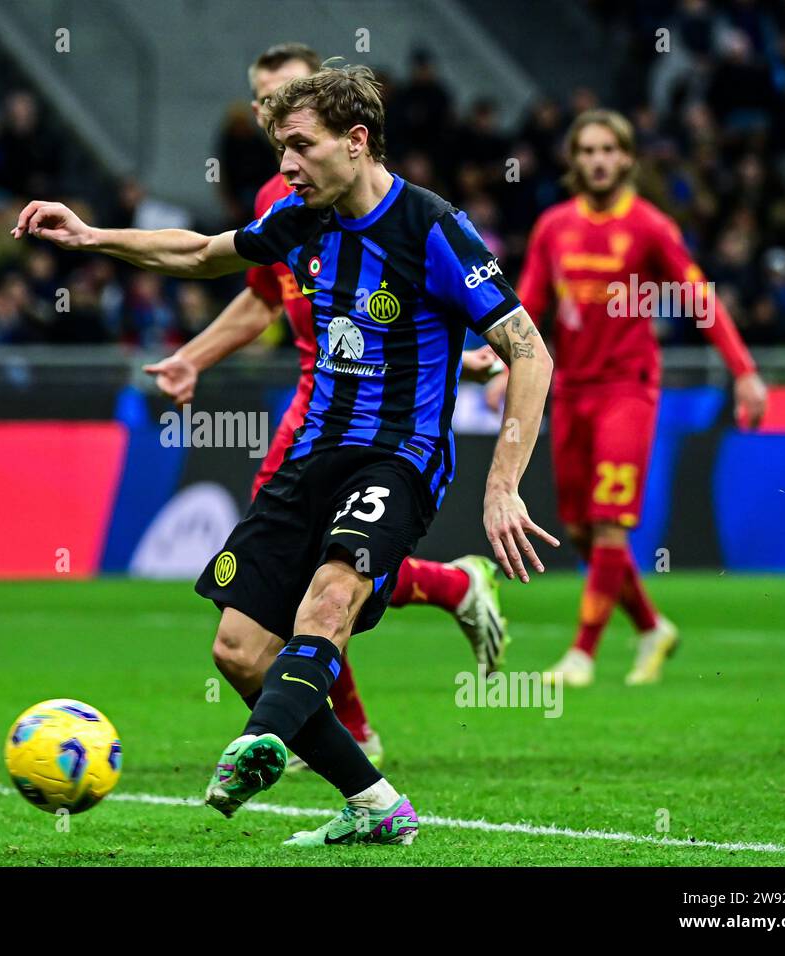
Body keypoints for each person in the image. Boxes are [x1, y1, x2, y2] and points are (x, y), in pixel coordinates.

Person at [13, 62, 555, 847]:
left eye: (298, 146)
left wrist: (502, 485)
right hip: (311, 454)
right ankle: (373, 803)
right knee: (237, 649)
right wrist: (93, 235)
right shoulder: (304, 218)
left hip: (396, 457)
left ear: (357, 141)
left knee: (328, 603)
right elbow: (202, 253)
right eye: (279, 149)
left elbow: (528, 349)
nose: (285, 167)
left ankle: (260, 741)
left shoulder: (433, 228)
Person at [143, 42, 510, 777]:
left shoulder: (393, 210)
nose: (271, 125)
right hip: (316, 407)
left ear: (348, 132)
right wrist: (195, 355)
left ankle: (351, 736)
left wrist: (455, 352)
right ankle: (444, 594)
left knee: (331, 579)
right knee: (275, 594)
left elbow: (442, 309)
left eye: (285, 104)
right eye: (260, 106)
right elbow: (255, 296)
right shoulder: (286, 200)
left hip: (382, 421)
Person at [507, 109, 767, 687]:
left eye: (608, 150)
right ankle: (652, 627)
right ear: (575, 161)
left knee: (609, 524)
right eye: (587, 150)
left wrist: (744, 372)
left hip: (629, 390)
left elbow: (701, 299)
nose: (598, 160)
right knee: (579, 528)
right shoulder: (553, 227)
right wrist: (506, 363)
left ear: (626, 158)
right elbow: (526, 305)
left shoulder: (650, 228)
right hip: (570, 391)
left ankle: (582, 653)